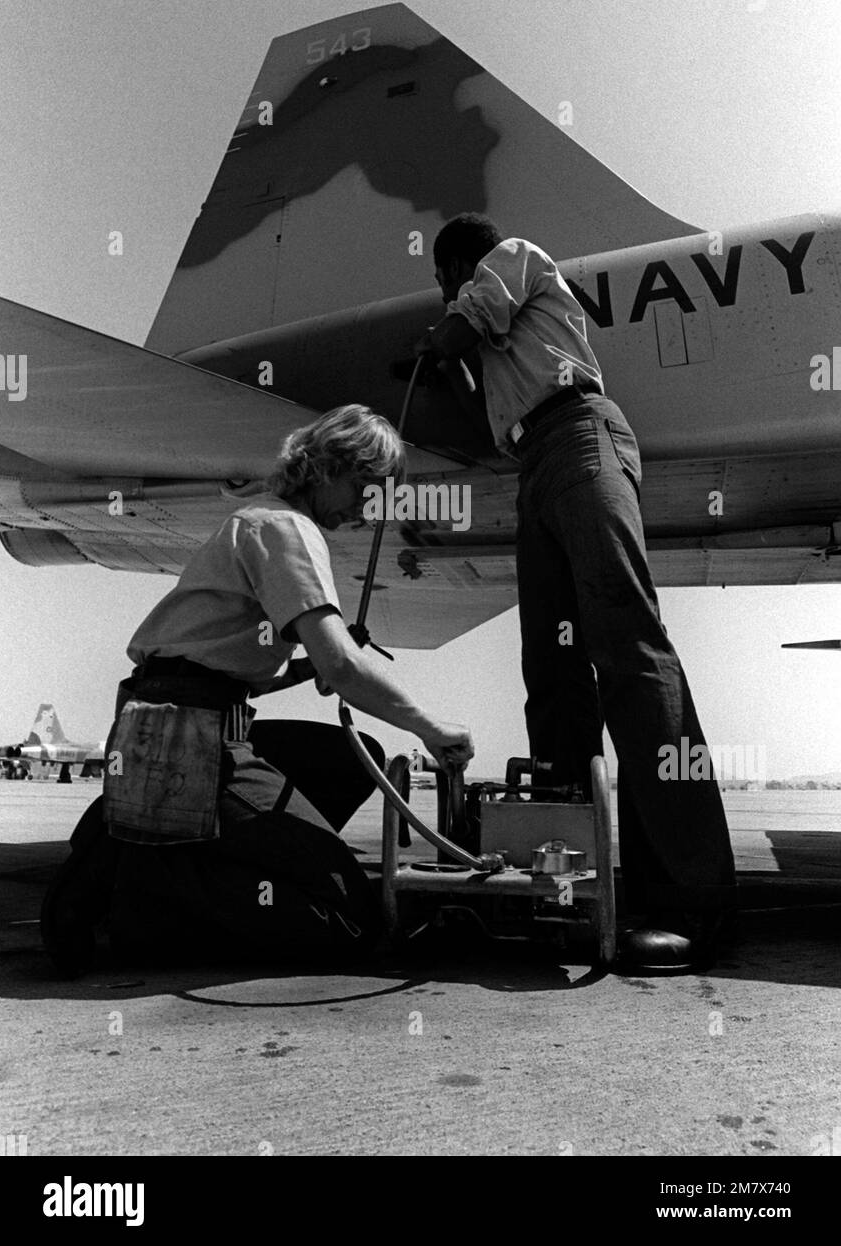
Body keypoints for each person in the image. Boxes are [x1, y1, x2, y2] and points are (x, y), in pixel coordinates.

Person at [41, 404, 474, 976]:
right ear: (326, 467)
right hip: (196, 744)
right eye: (367, 488)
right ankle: (146, 900)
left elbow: (224, 667)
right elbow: (341, 668)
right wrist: (429, 726)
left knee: (353, 757)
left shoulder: (260, 521)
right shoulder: (284, 528)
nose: (370, 512)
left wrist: (303, 668)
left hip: (182, 722)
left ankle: (151, 851)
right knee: (350, 923)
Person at [418, 213, 737, 972]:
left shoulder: (514, 258)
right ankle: (570, 891)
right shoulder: (492, 342)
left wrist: (439, 344)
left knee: (626, 645)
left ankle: (694, 904)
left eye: (442, 278)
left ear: (462, 261)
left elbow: (470, 318)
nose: (444, 293)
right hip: (533, 465)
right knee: (553, 674)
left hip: (580, 434)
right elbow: (478, 409)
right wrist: (449, 369)